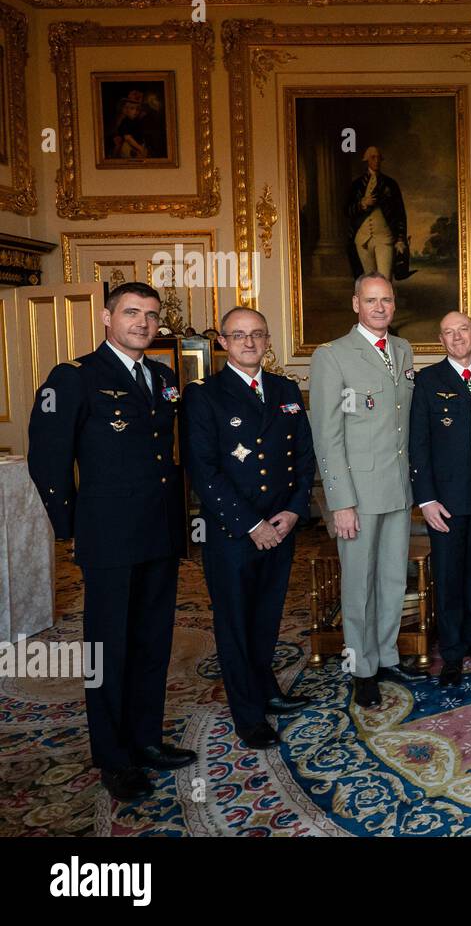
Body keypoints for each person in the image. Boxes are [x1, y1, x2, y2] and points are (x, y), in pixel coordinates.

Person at [28, 282, 192, 802]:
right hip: (109, 536)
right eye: (130, 313)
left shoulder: (164, 377)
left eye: (150, 314)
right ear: (106, 317)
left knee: (152, 643)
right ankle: (113, 758)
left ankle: (145, 739)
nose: (141, 323)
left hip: (159, 530)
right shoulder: (75, 377)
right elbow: (48, 458)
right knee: (108, 649)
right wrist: (71, 526)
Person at [181, 307, 315, 749]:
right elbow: (203, 470)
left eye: (257, 334)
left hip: (282, 526)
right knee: (235, 623)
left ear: (268, 339)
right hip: (234, 532)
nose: (249, 343)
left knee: (267, 615)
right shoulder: (204, 395)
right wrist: (251, 523)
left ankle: (266, 690)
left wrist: (294, 511)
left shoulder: (285, 388)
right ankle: (248, 714)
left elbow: (303, 458)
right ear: (223, 342)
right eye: (239, 336)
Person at [309, 272, 424, 711]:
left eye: (387, 301)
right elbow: (327, 435)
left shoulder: (402, 350)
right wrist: (340, 501)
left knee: (394, 578)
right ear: (356, 303)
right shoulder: (333, 356)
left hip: (396, 488)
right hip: (356, 493)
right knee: (358, 584)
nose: (380, 308)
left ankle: (385, 654)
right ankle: (361, 668)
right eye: (372, 300)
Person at [410, 311, 471, 688]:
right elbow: (418, 444)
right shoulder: (429, 380)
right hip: (446, 501)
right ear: (441, 340)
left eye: (463, 329)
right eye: (448, 333)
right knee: (448, 579)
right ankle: (451, 652)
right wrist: (426, 499)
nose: (457, 337)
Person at [346, 146, 409, 282]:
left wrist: (400, 238)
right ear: (366, 160)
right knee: (368, 284)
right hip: (362, 239)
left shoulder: (390, 184)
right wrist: (362, 204)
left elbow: (400, 213)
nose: (376, 161)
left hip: (384, 238)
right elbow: (347, 211)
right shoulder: (357, 185)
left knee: (385, 282)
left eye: (379, 158)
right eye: (373, 157)